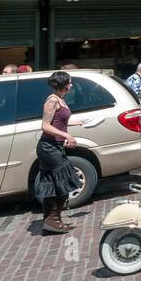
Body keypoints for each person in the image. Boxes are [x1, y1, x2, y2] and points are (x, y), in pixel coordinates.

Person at [34, 71, 89, 234]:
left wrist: (74, 123)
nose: (71, 85)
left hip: (55, 146)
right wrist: (66, 135)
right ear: (63, 84)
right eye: (69, 82)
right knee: (64, 180)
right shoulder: (51, 101)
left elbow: (58, 122)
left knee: (55, 183)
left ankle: (51, 221)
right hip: (48, 147)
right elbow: (45, 126)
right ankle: (52, 219)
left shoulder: (60, 100)